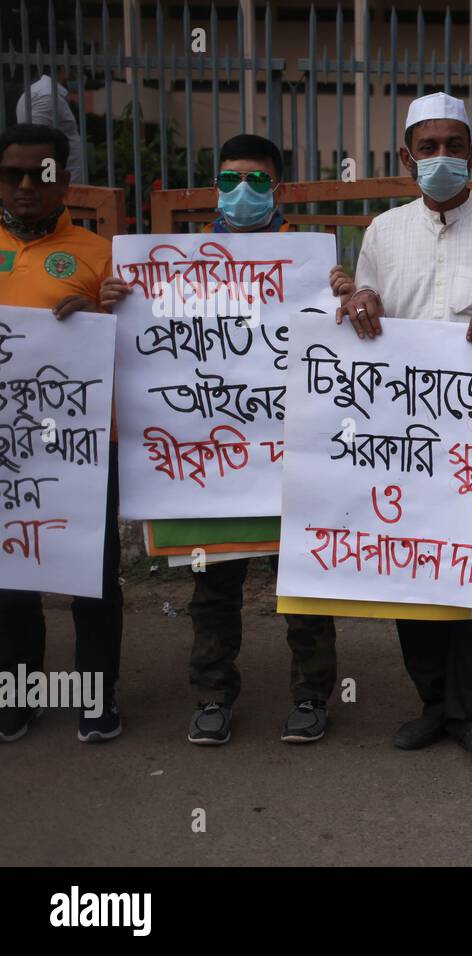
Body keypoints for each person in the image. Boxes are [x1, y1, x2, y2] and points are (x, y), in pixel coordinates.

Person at [100, 134, 353, 746]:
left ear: (281, 188)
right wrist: (112, 303)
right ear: (216, 187)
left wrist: (345, 296)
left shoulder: (311, 263)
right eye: (231, 179)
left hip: (292, 458)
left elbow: (347, 344)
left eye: (258, 181)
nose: (243, 192)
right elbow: (144, 346)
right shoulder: (172, 262)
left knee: (304, 584)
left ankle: (312, 695)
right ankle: (212, 694)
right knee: (211, 587)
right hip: (207, 464)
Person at [336, 92, 472, 774]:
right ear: (407, 158)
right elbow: (362, 321)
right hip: (400, 437)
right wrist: (356, 303)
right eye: (426, 147)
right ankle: (432, 702)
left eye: (452, 146)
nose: (440, 158)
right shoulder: (382, 233)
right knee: (413, 567)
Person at [0, 123, 118, 743]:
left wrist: (106, 318)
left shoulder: (102, 255)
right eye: (11, 173)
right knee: (10, 579)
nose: (25, 186)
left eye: (40, 173)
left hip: (83, 445)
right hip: (5, 448)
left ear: (64, 180)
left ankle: (96, 698)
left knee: (93, 578)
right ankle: (19, 694)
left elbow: (140, 347)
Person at [16, 74, 84, 183]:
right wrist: (48, 182)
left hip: (62, 181)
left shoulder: (46, 92)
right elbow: (40, 144)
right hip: (57, 184)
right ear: (63, 68)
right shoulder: (46, 96)